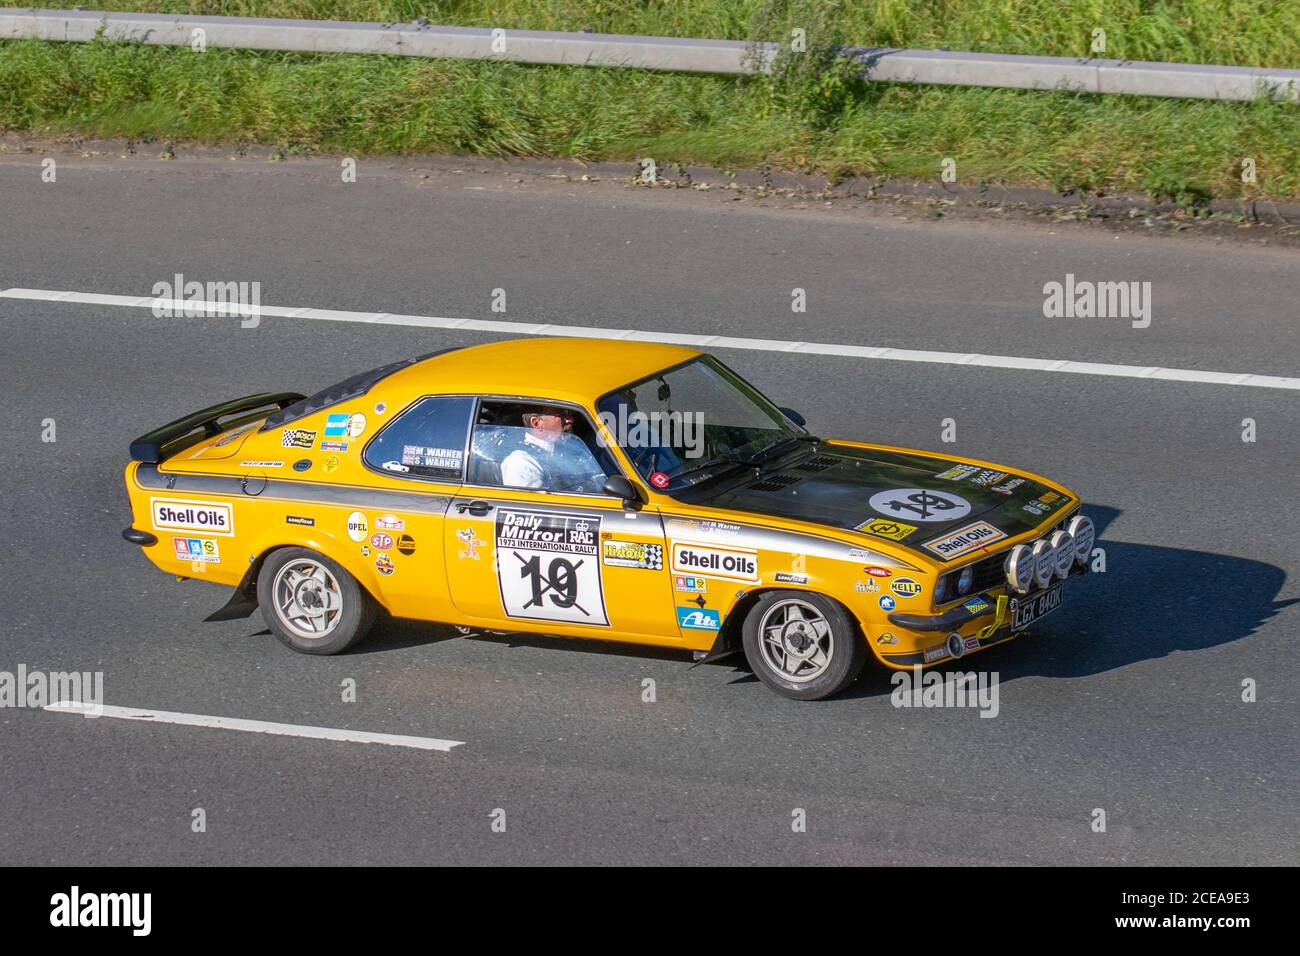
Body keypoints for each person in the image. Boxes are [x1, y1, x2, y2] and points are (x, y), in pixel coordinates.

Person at [500, 406, 605, 491]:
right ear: (536, 423)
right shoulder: (521, 463)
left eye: (568, 414)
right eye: (561, 415)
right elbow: (535, 509)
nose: (570, 419)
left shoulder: (567, 448)